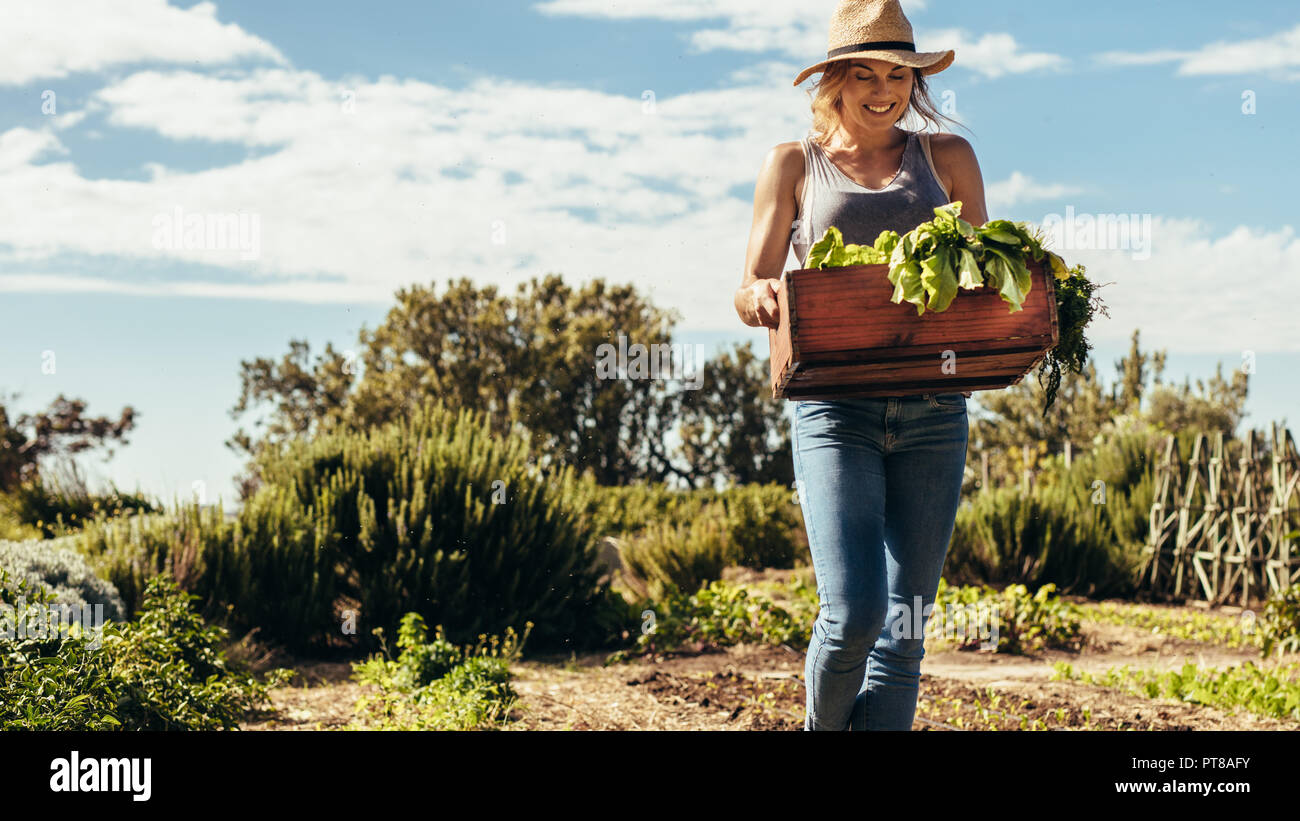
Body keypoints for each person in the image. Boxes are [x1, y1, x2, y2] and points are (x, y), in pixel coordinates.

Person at [732, 0, 987, 731]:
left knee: (903, 630)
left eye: (899, 76)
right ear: (835, 82)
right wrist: (759, 296)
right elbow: (752, 280)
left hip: (934, 410)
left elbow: (969, 274)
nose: (884, 90)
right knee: (854, 613)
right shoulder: (793, 163)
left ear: (916, 82)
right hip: (834, 407)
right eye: (866, 74)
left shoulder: (948, 159)